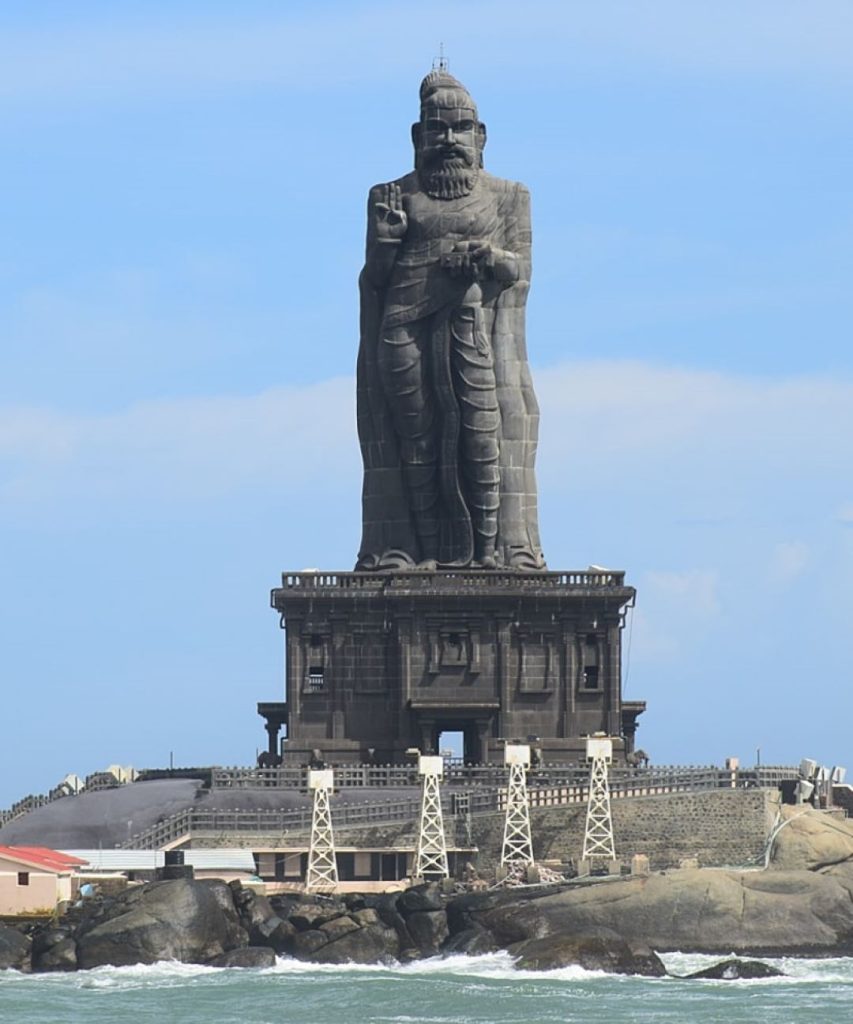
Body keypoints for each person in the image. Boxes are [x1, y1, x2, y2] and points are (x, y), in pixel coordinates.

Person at [356, 69, 545, 571]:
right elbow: (375, 279)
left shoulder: (509, 196)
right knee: (415, 443)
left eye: (460, 128)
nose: (448, 140)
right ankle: (418, 552)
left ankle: (491, 551)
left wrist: (489, 257)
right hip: (403, 328)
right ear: (417, 137)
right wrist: (387, 243)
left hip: (473, 328)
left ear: (480, 136)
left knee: (483, 435)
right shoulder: (390, 195)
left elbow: (520, 271)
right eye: (437, 129)